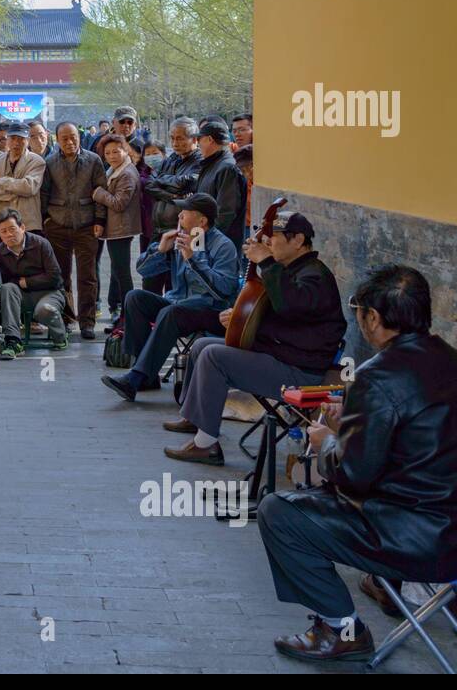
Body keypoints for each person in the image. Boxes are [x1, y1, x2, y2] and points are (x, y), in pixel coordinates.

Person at [258, 265, 457, 663]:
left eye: (360, 311)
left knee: (278, 513)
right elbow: (413, 450)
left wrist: (327, 442)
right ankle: (379, 586)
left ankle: (341, 630)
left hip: (419, 540)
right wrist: (350, 429)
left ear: (373, 318)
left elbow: (352, 477)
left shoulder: (377, 377)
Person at [162, 211, 345, 461]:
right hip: (280, 355)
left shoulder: (315, 276)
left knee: (214, 356)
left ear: (298, 240)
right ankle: (195, 419)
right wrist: (238, 318)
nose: (267, 243)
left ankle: (207, 446)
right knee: (201, 346)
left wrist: (266, 263)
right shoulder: (290, 270)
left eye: (274, 237)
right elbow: (279, 317)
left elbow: (289, 309)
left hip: (299, 370)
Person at [102, 194, 238, 402]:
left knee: (170, 312)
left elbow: (224, 290)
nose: (180, 215)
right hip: (178, 303)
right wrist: (160, 249)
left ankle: (136, 378)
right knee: (134, 298)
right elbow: (143, 271)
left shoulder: (223, 246)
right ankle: (147, 375)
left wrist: (192, 259)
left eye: (186, 212)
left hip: (211, 310)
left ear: (202, 221)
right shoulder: (180, 238)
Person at [40, 123, 107, 339]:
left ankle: (87, 322)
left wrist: (99, 219)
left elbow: (99, 190)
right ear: (57, 139)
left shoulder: (93, 160)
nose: (70, 142)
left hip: (87, 224)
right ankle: (67, 319)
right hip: (57, 225)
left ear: (79, 137)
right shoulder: (49, 162)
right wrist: (46, 219)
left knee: (88, 276)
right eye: (65, 138)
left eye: (73, 137)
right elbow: (44, 193)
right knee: (61, 275)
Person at [0, 208, 67, 358]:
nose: (9, 234)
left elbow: (55, 277)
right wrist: (20, 284)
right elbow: (7, 281)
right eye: (4, 231)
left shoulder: (41, 244)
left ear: (22, 227)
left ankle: (61, 336)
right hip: (22, 296)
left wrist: (28, 282)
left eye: (12, 229)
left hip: (50, 292)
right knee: (7, 288)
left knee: (44, 310)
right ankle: (13, 341)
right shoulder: (0, 252)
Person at [142, 116, 202, 295]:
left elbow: (186, 183)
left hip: (182, 232)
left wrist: (165, 182)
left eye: (180, 138)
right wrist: (172, 195)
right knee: (150, 281)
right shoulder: (171, 159)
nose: (175, 143)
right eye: (173, 138)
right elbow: (150, 184)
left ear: (194, 139)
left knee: (175, 285)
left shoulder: (200, 160)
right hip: (159, 230)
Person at [93, 134, 141, 328]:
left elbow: (119, 203)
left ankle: (128, 315)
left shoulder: (127, 173)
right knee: (116, 270)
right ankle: (120, 311)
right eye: (108, 153)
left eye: (116, 151)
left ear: (125, 151)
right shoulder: (115, 169)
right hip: (115, 228)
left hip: (121, 229)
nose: (112, 156)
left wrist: (99, 193)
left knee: (122, 273)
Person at [0, 122, 46, 247]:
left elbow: (29, 188)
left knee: (27, 263)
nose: (16, 143)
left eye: (21, 139)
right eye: (13, 138)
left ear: (27, 140)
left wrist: (3, 181)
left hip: (27, 223)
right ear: (7, 140)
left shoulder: (37, 161)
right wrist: (17, 192)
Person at [193, 116, 247, 248]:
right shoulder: (210, 164)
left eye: (199, 140)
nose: (197, 144)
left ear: (210, 140)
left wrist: (203, 242)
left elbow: (225, 213)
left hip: (218, 246)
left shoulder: (227, 168)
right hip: (203, 238)